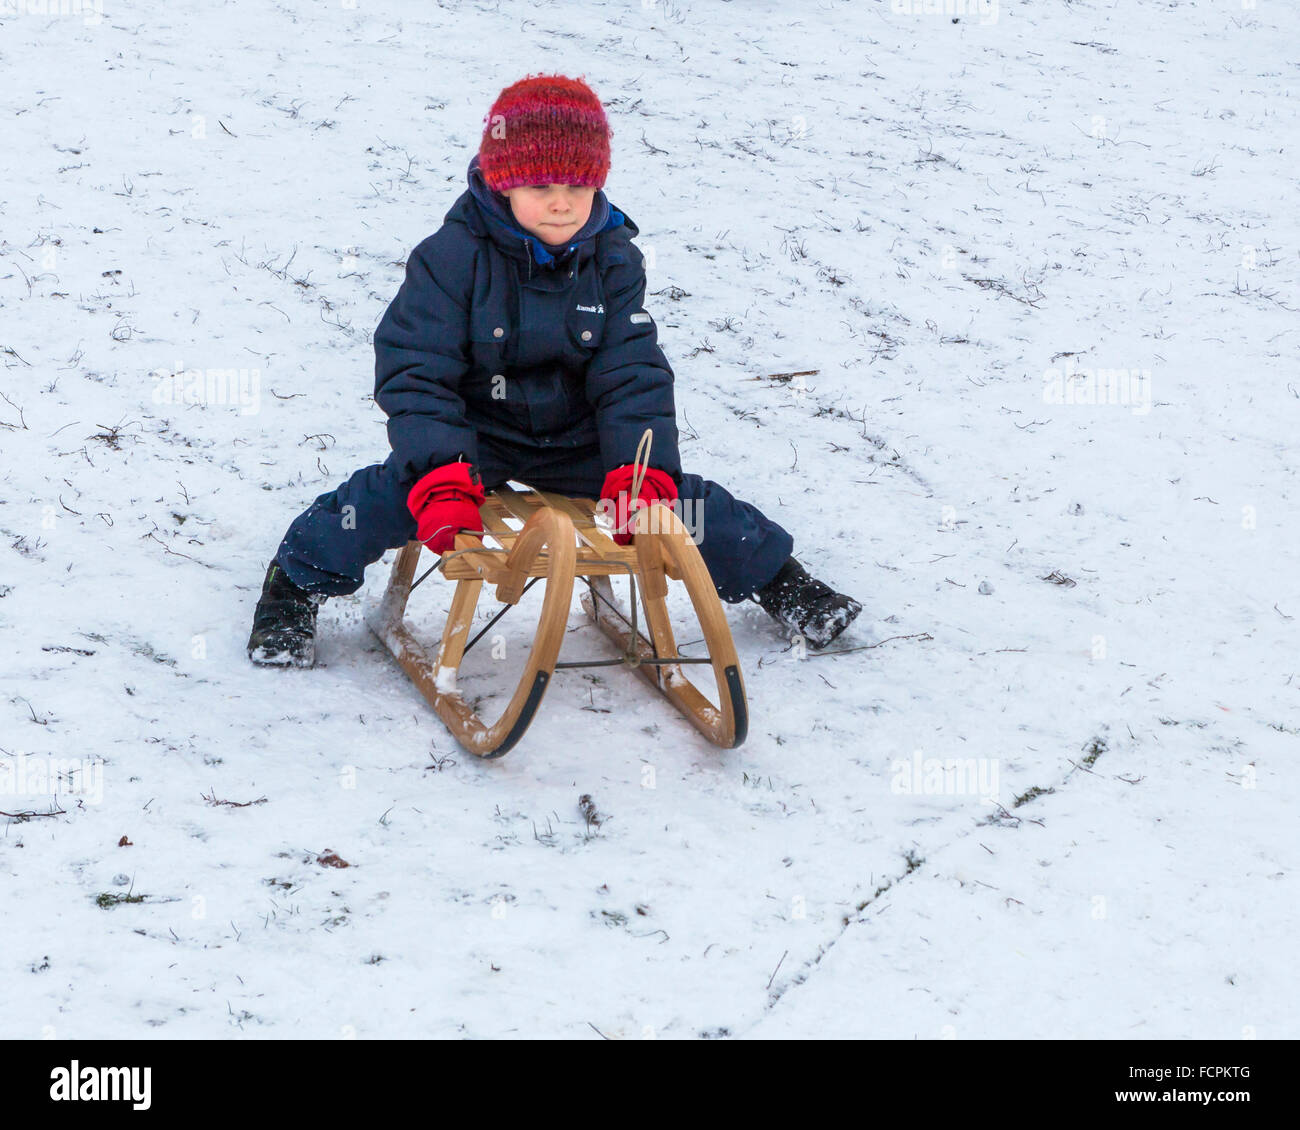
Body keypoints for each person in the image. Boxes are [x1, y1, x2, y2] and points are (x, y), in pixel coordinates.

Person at [247, 73, 862, 668]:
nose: (562, 202)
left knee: (688, 505)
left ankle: (782, 580)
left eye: (578, 183)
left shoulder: (614, 260)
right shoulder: (451, 258)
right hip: (477, 436)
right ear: (502, 182)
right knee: (384, 498)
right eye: (540, 185)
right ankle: (293, 585)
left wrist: (636, 473)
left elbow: (631, 372)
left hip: (575, 439)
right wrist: (441, 471)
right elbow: (416, 370)